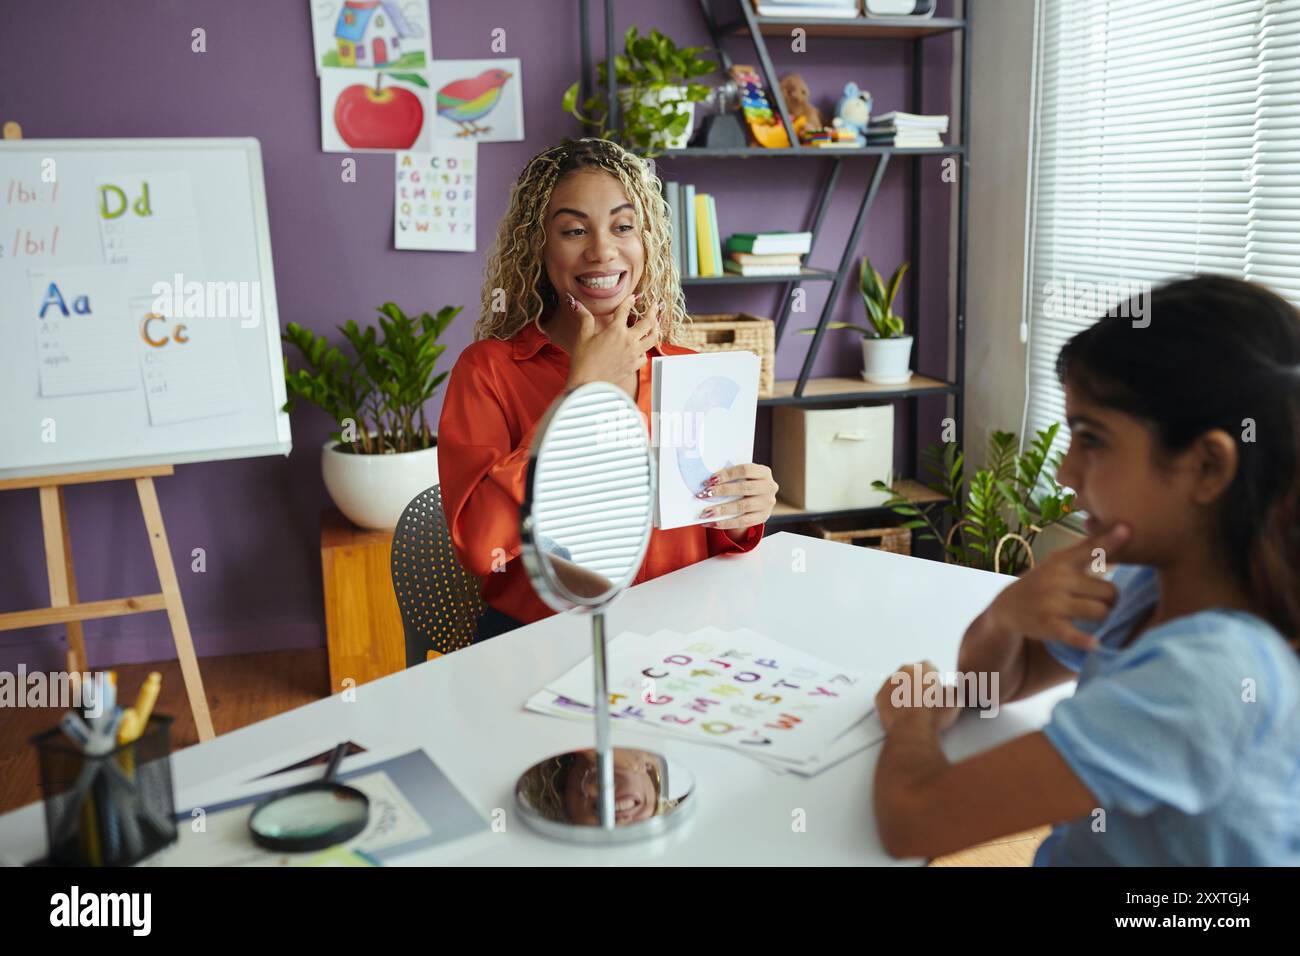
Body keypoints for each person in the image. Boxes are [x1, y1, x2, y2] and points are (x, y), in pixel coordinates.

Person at [871, 275, 1300, 865]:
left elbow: (913, 820)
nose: (1067, 473)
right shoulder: (1144, 586)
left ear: (1206, 466)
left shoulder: (1210, 675)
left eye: (1091, 439)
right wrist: (1005, 617)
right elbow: (995, 687)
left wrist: (911, 721)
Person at [438, 138, 778, 643]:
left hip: (674, 641)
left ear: (647, 244)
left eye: (623, 227)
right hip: (539, 645)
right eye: (574, 230)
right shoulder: (488, 371)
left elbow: (710, 535)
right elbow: (478, 544)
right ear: (540, 247)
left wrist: (742, 513)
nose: (601, 250)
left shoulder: (686, 372)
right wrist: (582, 390)